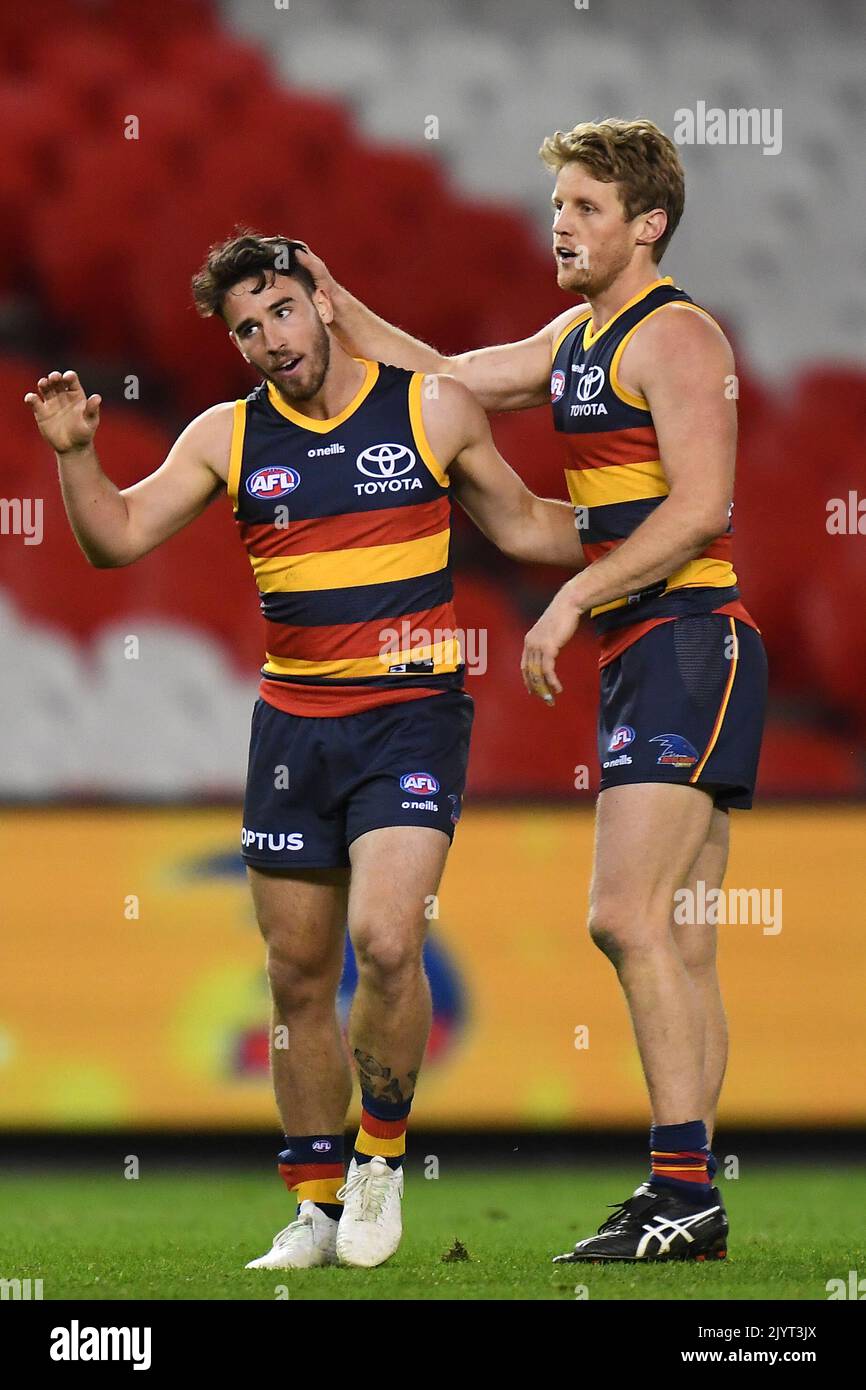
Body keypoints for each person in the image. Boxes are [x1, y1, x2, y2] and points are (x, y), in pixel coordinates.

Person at [24, 232, 585, 1271]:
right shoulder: (226, 435)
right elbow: (117, 539)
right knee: (293, 975)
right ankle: (316, 1206)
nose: (269, 339)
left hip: (411, 714)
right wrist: (73, 455)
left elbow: (525, 528)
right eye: (246, 327)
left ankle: (379, 1158)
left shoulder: (429, 407)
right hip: (293, 728)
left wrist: (658, 523)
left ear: (322, 302)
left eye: (281, 310)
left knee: (383, 940)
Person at [296, 117, 768, 1263]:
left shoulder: (677, 335)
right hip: (652, 643)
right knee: (680, 944)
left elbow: (702, 505)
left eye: (586, 208)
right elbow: (447, 379)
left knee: (622, 917)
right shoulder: (576, 335)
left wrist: (568, 598)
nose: (559, 224)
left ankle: (678, 1191)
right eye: (556, 205)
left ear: (646, 224)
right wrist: (332, 296)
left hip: (689, 637)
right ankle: (687, 1195)